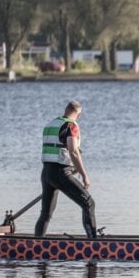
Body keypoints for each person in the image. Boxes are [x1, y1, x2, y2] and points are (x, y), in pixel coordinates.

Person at [35, 100, 97, 238]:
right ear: (79, 115)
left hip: (46, 173)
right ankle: (94, 244)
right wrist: (84, 174)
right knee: (89, 203)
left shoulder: (50, 124)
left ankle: (37, 243)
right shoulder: (71, 125)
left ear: (65, 109)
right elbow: (73, 151)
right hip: (60, 173)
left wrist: (72, 165)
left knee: (46, 213)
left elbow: (58, 149)